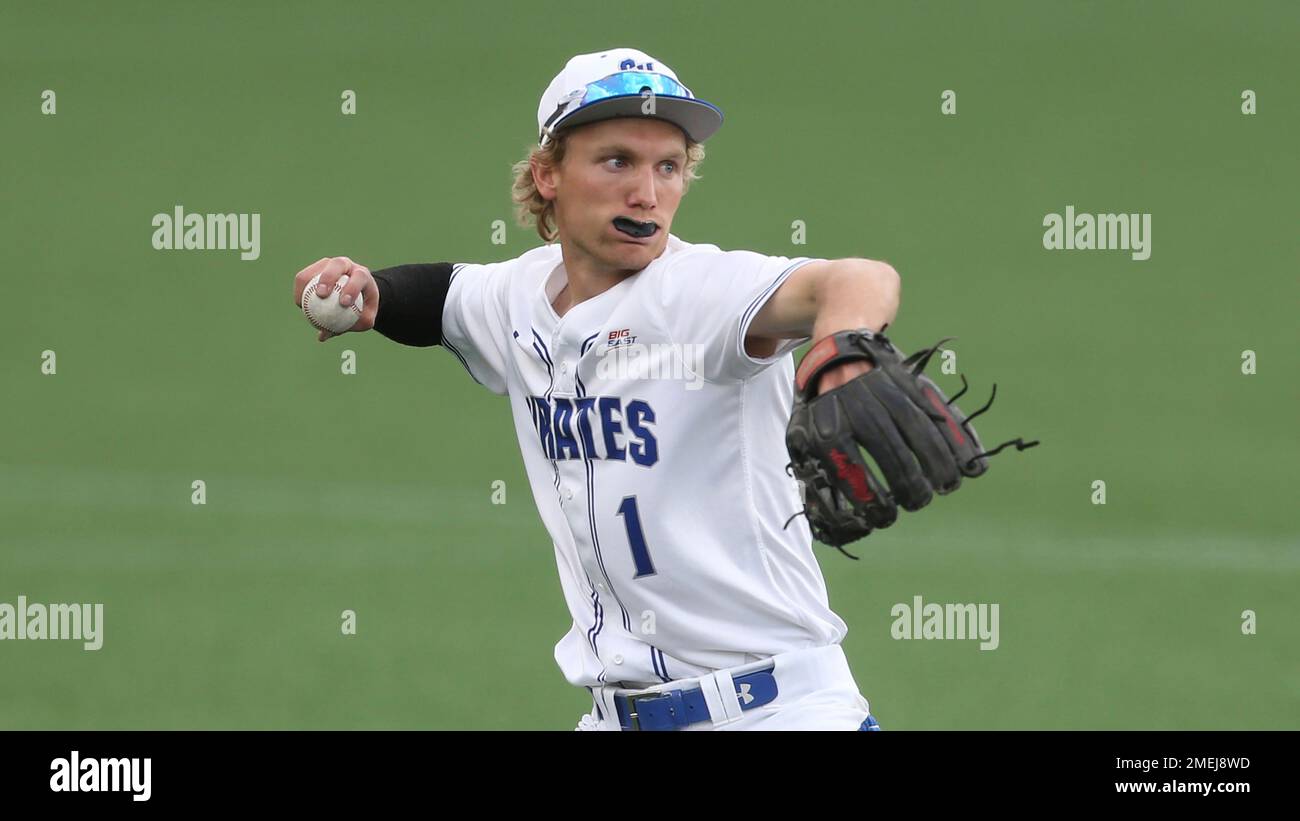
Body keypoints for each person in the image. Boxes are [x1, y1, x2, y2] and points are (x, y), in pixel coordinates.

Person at [291, 48, 901, 730]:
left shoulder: (701, 293)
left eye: (668, 166)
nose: (647, 192)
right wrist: (370, 291)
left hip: (777, 711)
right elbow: (440, 296)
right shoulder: (519, 296)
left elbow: (858, 278)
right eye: (617, 161)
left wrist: (842, 356)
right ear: (548, 173)